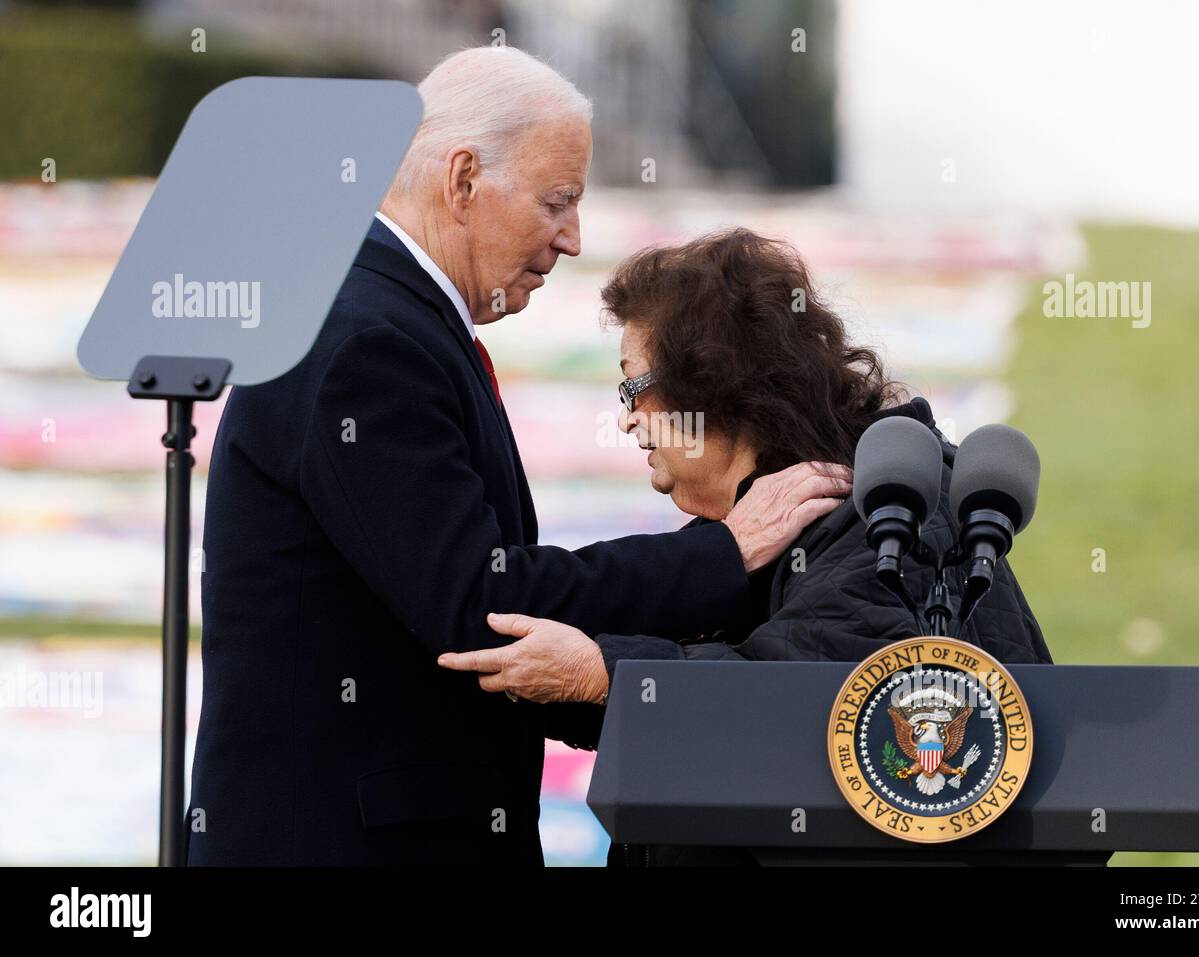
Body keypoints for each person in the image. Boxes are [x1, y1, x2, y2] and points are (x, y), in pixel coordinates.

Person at [186, 50, 849, 867]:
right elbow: (481, 604)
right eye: (557, 202)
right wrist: (722, 552)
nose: (572, 238)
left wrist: (613, 676)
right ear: (462, 179)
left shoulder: (387, 314)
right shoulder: (368, 340)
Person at [438, 228, 1052, 863]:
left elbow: (812, 706)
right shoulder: (780, 518)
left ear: (712, 385)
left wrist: (603, 675)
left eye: (635, 388)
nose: (626, 418)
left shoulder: (892, 512)